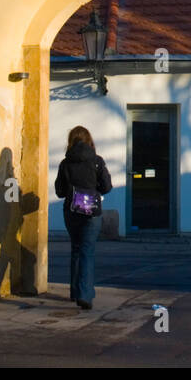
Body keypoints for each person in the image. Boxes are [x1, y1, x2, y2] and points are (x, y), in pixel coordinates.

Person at [54, 126, 113, 310]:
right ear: (89, 140)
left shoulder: (65, 163)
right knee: (87, 251)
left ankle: (74, 291)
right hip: (91, 212)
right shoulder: (97, 161)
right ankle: (85, 295)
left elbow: (60, 191)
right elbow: (107, 187)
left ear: (71, 141)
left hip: (71, 210)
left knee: (76, 249)